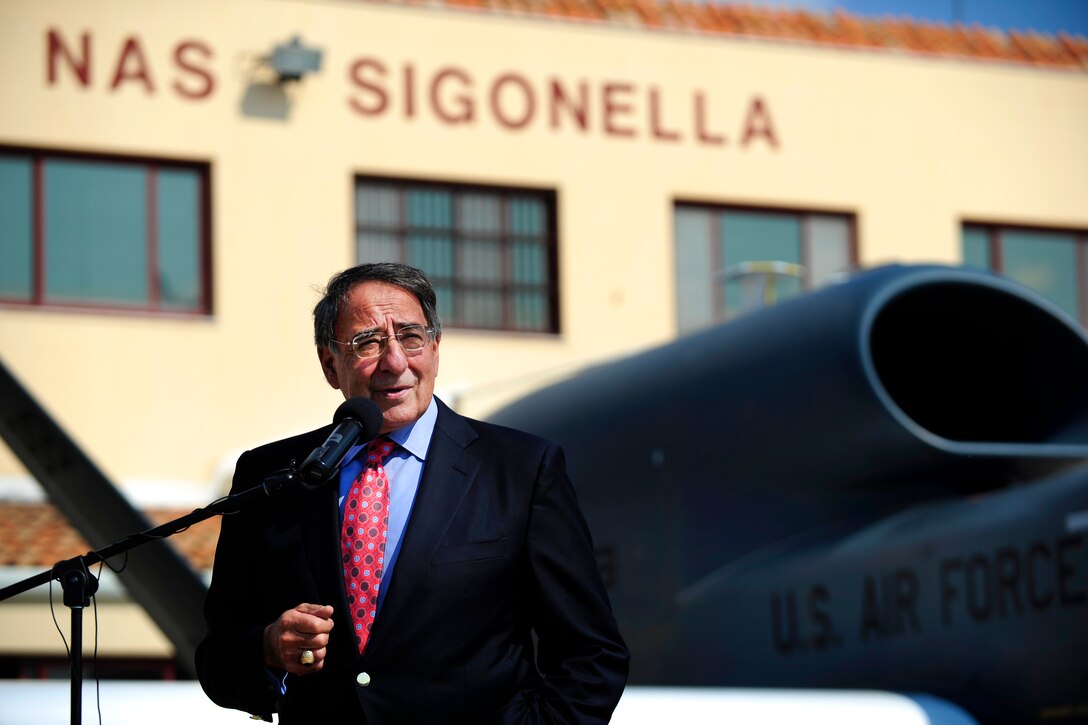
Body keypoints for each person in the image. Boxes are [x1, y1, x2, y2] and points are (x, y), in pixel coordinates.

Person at [196, 262, 629, 723]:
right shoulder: (272, 476)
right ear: (329, 364)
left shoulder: (521, 470)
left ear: (436, 349)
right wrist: (268, 647)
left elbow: (591, 656)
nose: (395, 362)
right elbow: (217, 657)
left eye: (410, 337)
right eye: (368, 342)